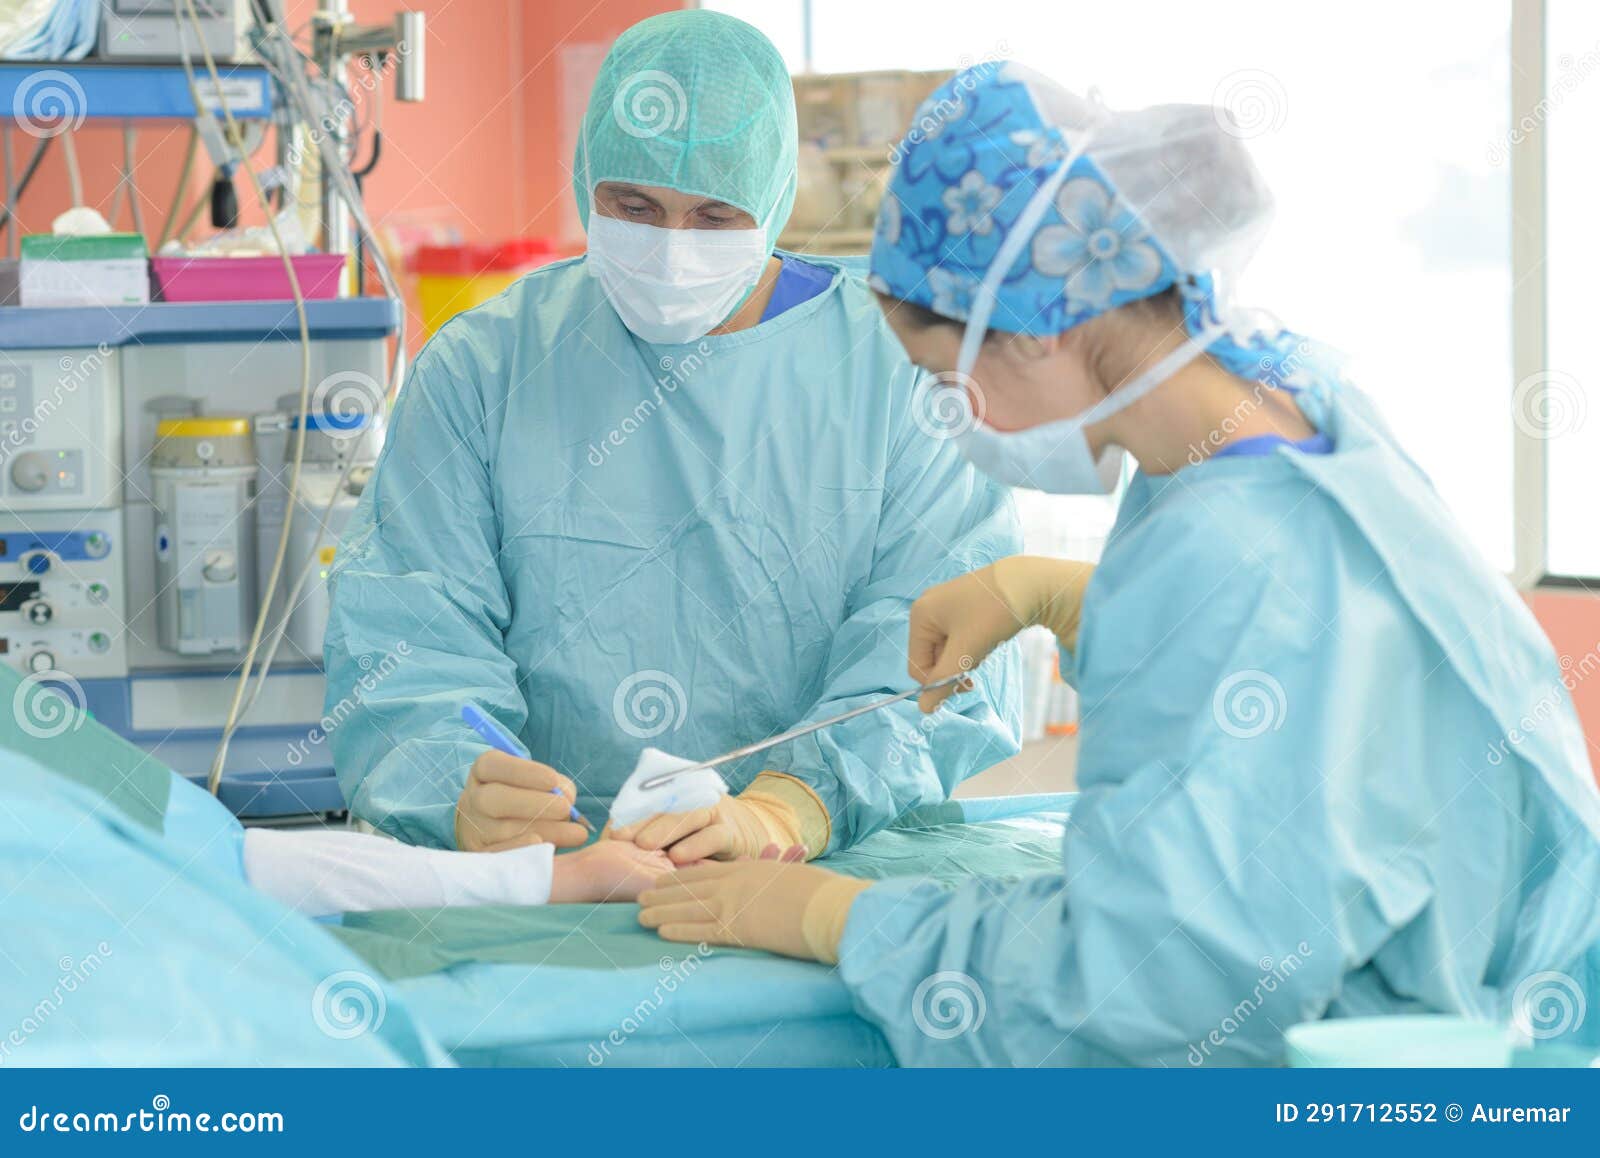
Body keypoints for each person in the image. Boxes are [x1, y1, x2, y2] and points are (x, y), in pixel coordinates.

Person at [639, 64, 1600, 1065]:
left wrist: (839, 920)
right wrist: (1060, 595)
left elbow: (1143, 990)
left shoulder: (1219, 553)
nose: (945, 418)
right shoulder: (1279, 405)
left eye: (941, 376)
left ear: (1039, 329)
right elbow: (1322, 681)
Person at [323, 11, 1021, 862]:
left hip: (826, 857)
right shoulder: (487, 367)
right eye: (635, 205)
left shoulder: (900, 368)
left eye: (716, 218)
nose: (671, 251)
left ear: (772, 199)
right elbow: (411, 628)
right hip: (558, 864)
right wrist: (460, 783)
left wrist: (790, 810)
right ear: (588, 178)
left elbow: (943, 631)